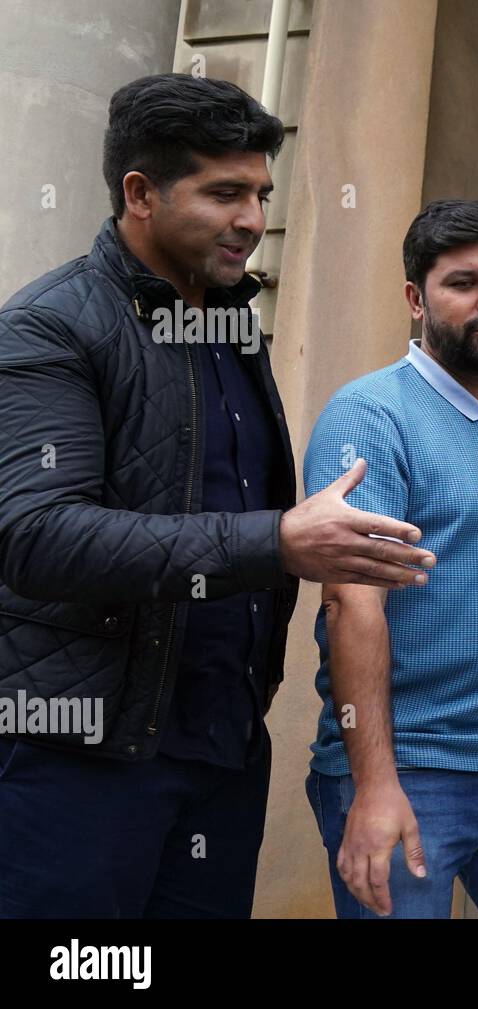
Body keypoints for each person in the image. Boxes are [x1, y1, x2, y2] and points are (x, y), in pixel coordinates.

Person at [0, 73, 434, 919]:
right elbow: (36, 535)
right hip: (77, 759)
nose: (252, 218)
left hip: (220, 750)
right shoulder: (49, 326)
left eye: (261, 193)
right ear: (140, 193)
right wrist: (276, 542)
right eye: (225, 192)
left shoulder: (231, 321)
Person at [304, 199, 478, 919]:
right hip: (408, 767)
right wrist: (373, 784)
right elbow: (350, 601)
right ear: (415, 299)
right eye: (464, 283)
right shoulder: (369, 413)